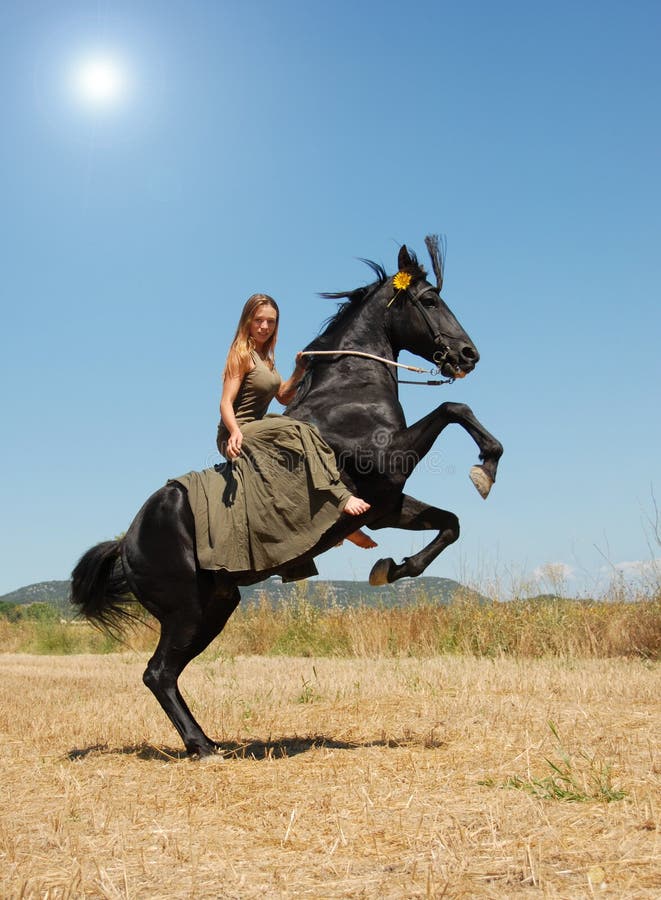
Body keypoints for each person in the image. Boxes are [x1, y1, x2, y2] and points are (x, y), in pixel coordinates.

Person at [217, 293, 376, 554]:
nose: (265, 327)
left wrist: (299, 370)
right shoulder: (241, 354)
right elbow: (225, 402)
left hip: (259, 429)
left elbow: (282, 397)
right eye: (259, 320)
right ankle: (341, 498)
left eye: (271, 322)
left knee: (300, 456)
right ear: (247, 321)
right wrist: (233, 432)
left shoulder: (266, 358)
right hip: (239, 431)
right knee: (301, 429)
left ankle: (330, 524)